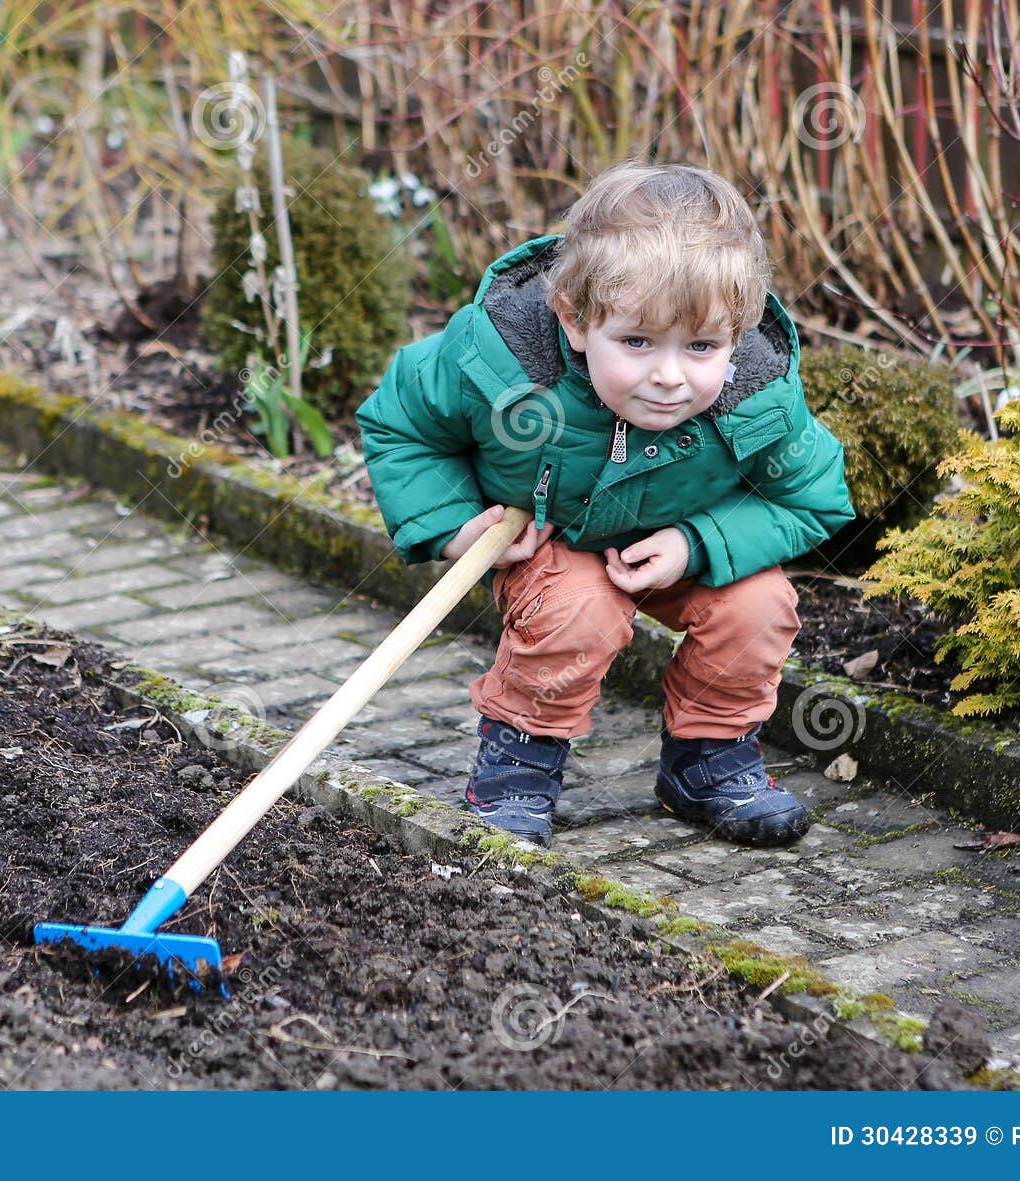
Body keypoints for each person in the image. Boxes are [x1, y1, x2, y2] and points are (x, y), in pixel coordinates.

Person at [355, 161, 855, 849]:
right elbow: (401, 423)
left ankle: (707, 761)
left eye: (702, 345)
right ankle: (520, 766)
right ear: (577, 319)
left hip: (681, 542)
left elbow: (812, 499)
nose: (670, 375)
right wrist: (451, 523)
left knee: (759, 606)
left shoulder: (757, 395)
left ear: (737, 334)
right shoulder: (498, 360)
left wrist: (698, 544)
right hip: (557, 546)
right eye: (638, 341)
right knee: (577, 608)